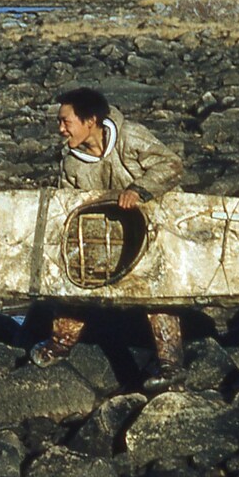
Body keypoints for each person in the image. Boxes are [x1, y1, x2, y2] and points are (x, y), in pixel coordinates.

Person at [30, 87, 186, 392]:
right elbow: (67, 207)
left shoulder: (131, 138)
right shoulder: (72, 163)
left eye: (65, 122)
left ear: (90, 120)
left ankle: (171, 364)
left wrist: (140, 190)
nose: (60, 129)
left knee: (157, 288)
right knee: (74, 279)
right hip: (106, 232)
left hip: (158, 227)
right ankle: (61, 343)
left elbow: (172, 165)